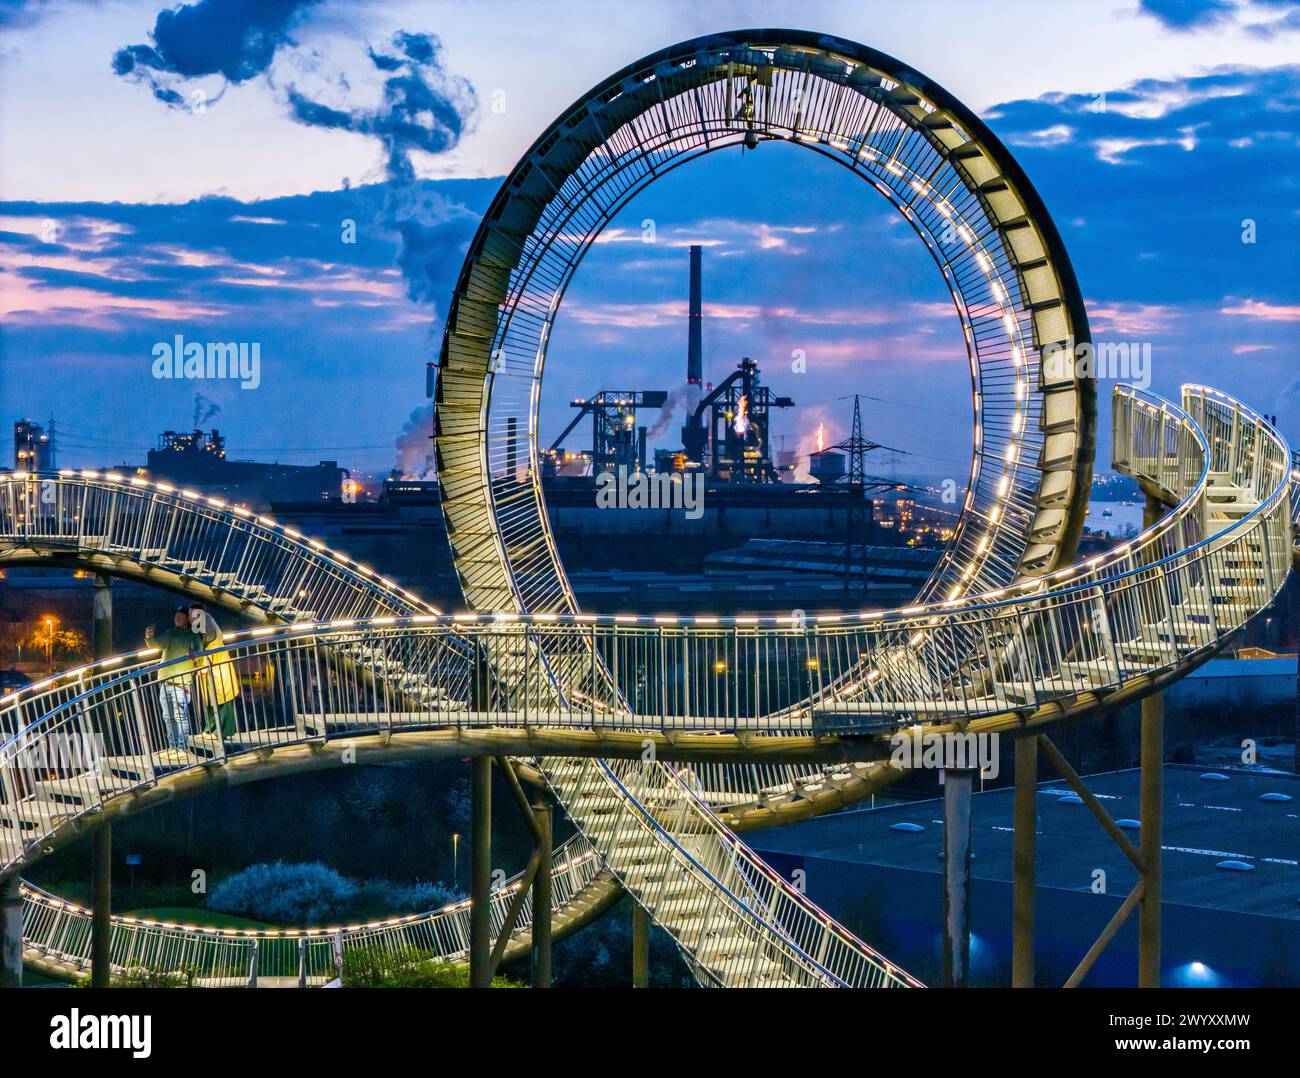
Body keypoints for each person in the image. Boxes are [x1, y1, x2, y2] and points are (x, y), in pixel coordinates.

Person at [144, 606, 200, 759]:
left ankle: (182, 748)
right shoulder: (170, 633)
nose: (178, 619)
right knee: (167, 716)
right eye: (176, 616)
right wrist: (149, 638)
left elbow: (198, 650)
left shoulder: (192, 635)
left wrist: (194, 655)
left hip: (180, 682)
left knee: (179, 715)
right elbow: (157, 645)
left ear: (188, 620)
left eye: (181, 617)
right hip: (165, 680)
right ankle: (173, 747)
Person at [188, 604, 238, 739]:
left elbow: (212, 643)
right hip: (209, 665)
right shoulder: (200, 625)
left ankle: (219, 732)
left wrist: (202, 662)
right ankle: (210, 729)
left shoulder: (207, 621)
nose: (190, 618)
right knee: (211, 700)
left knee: (221, 698)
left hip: (217, 664)